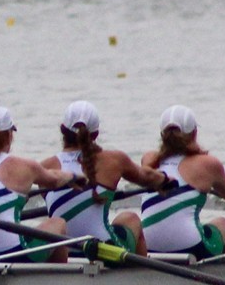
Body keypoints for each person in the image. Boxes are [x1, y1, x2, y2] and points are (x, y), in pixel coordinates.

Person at [0, 105, 82, 263]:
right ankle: (56, 282)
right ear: (8, 136)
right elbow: (54, 180)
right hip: (9, 254)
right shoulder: (24, 166)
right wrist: (74, 176)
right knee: (57, 223)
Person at [41, 101, 166, 255]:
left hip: (63, 251)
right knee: (130, 219)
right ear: (96, 134)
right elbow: (146, 177)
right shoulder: (115, 160)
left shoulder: (45, 167)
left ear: (62, 130)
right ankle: (142, 276)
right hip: (103, 251)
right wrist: (164, 180)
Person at [139, 106, 225, 257]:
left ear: (162, 135)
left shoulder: (149, 159)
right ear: (194, 133)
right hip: (190, 246)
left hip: (148, 246)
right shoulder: (207, 164)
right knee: (223, 225)